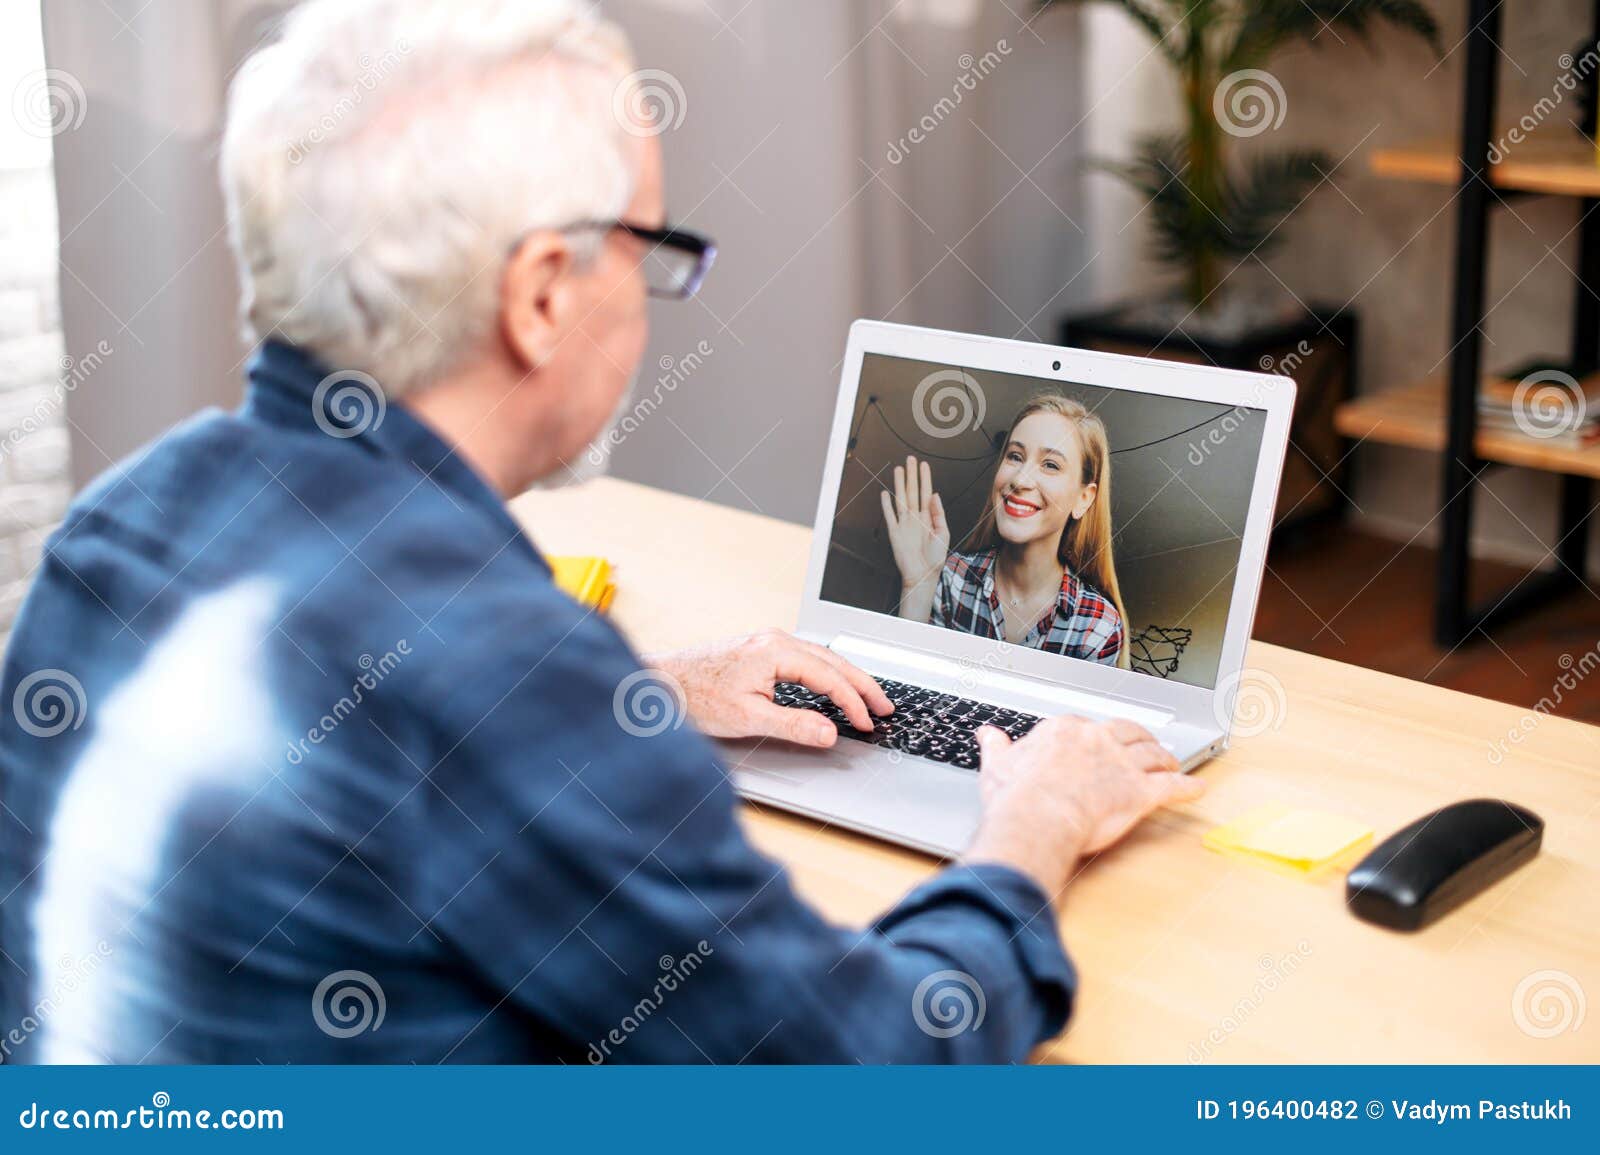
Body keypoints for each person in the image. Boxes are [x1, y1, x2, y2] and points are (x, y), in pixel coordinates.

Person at [0, 0, 1198, 1064]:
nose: (654, 299)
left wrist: (647, 692)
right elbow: (876, 1063)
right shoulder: (494, 664)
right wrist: (1033, 821)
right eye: (648, 248)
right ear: (537, 297)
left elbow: (370, 743)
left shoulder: (126, 518)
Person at [881, 393, 1128, 666]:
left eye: (1050, 465)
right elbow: (911, 691)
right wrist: (919, 585)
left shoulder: (1098, 627)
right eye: (1015, 456)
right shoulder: (950, 579)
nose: (1020, 479)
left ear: (1084, 498)